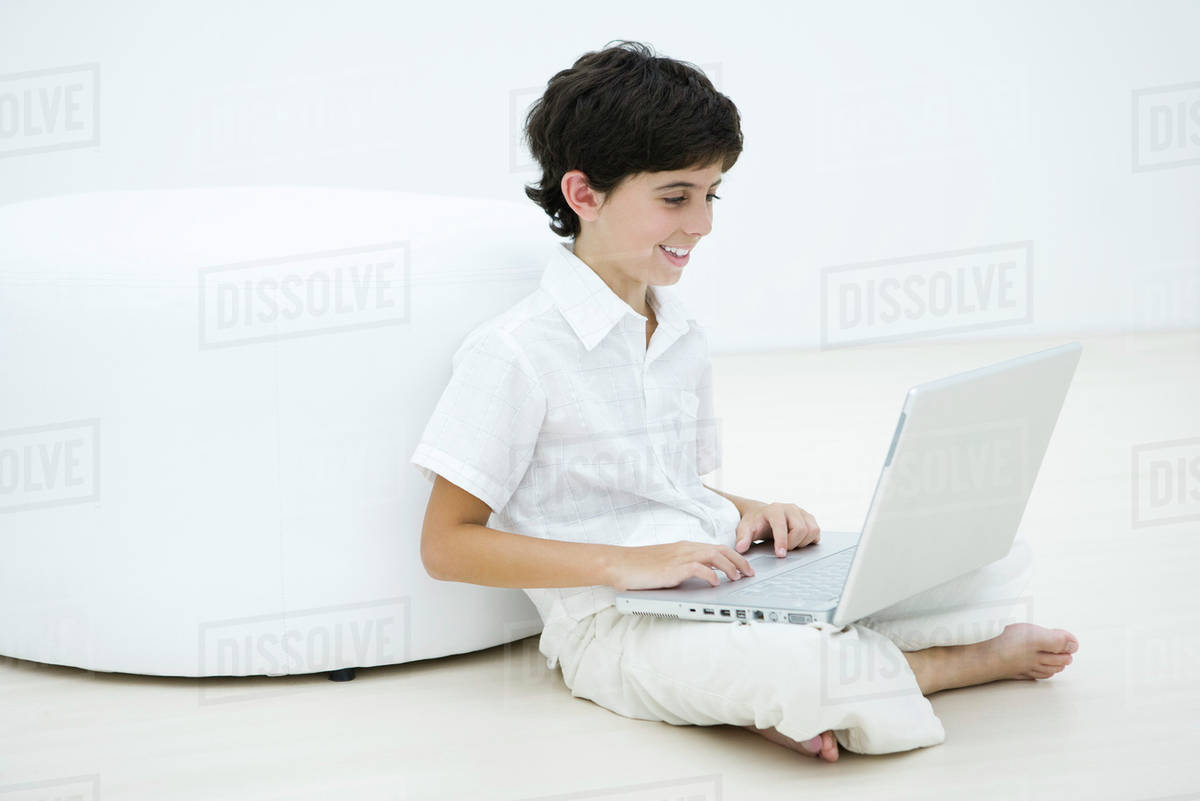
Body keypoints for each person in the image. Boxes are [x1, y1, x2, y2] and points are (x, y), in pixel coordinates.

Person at [410, 40, 1078, 762]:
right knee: (805, 668)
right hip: (618, 624)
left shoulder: (681, 332)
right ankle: (946, 665)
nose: (701, 224)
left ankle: (787, 671)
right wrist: (625, 564)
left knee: (992, 558)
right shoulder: (513, 352)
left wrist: (750, 507)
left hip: (722, 571)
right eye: (676, 197)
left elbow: (667, 485)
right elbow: (447, 545)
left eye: (710, 194)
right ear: (584, 195)